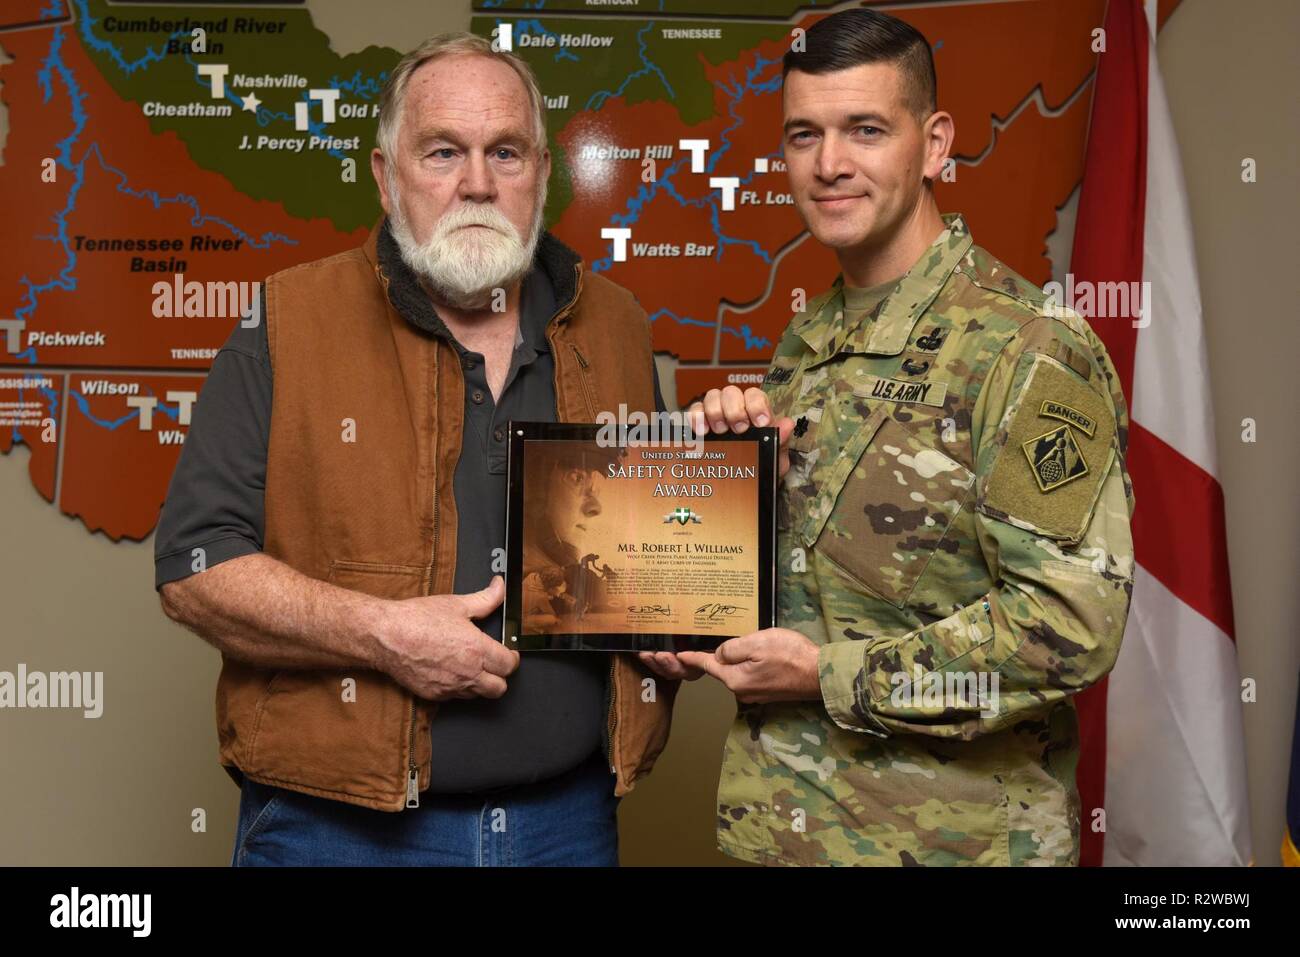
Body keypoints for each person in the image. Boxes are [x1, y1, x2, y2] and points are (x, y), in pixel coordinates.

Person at [155, 32, 674, 867]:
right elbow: (193, 567)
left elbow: (648, 560)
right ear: (385, 175)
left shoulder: (615, 324)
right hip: (338, 832)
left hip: (567, 825)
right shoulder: (284, 323)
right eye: (443, 151)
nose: (477, 182)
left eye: (505, 151)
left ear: (542, 170)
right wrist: (381, 635)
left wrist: (691, 612)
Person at [645, 7, 1135, 866]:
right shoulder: (805, 349)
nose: (829, 164)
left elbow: (1068, 626)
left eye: (865, 129)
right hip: (786, 836)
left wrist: (828, 675)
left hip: (951, 847)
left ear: (935, 143)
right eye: (805, 135)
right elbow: (821, 590)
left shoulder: (1029, 347)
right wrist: (718, 506)